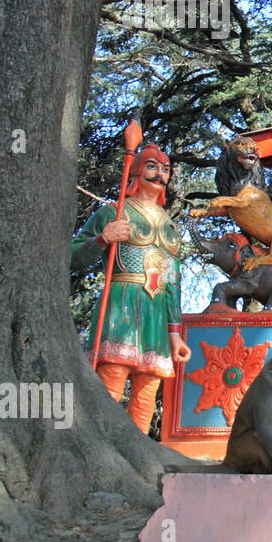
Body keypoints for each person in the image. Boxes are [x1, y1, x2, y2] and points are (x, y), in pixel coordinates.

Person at [71, 144, 191, 434]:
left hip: (157, 310)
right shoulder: (114, 212)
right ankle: (100, 441)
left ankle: (137, 446)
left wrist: (175, 334)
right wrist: (103, 238)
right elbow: (73, 257)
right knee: (112, 375)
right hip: (121, 304)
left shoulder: (170, 226)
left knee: (148, 385)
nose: (159, 174)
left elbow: (173, 283)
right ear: (136, 170)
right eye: (152, 166)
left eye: (165, 169)